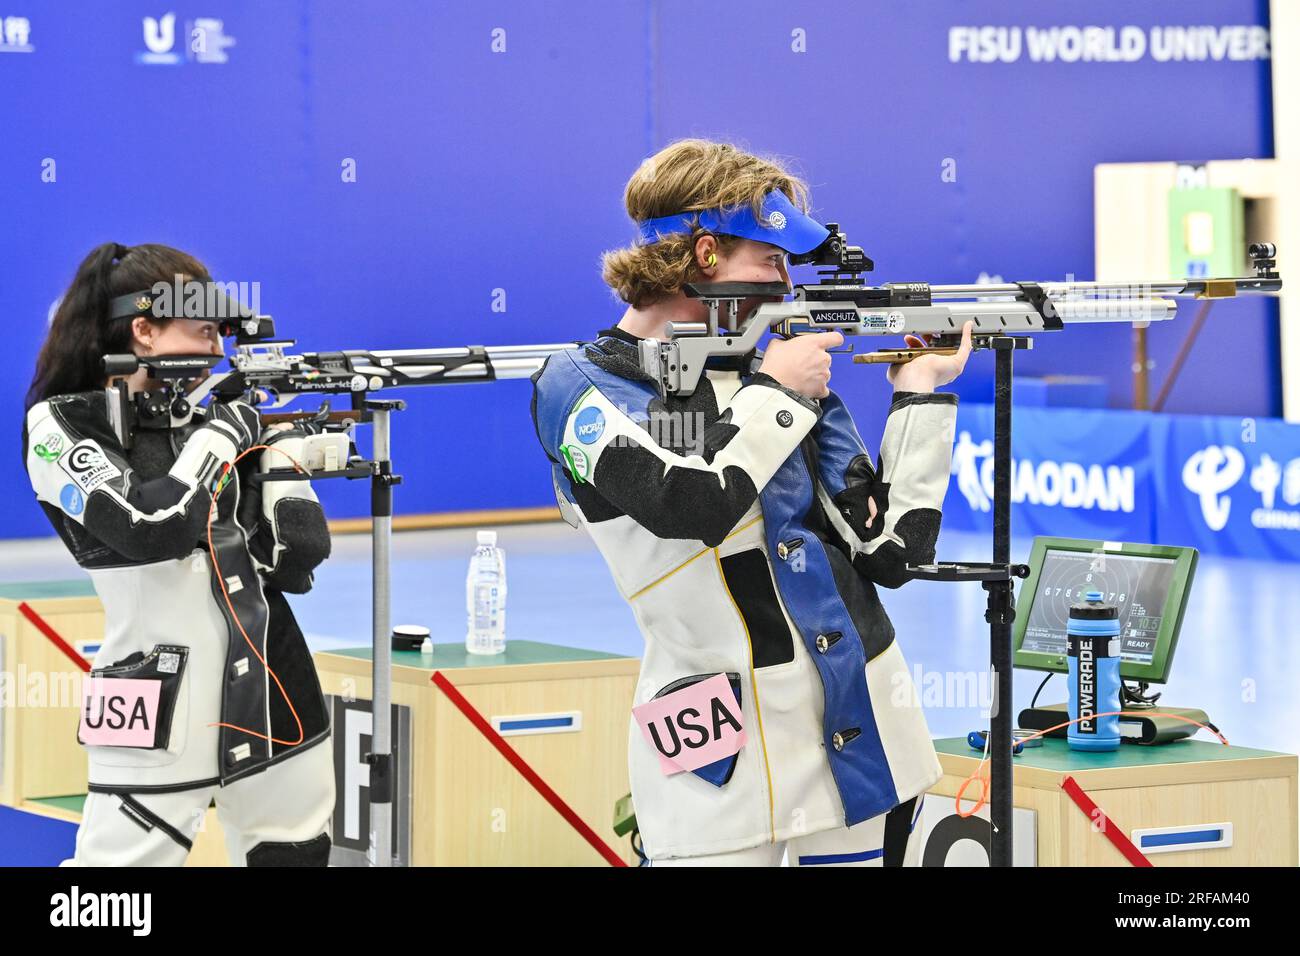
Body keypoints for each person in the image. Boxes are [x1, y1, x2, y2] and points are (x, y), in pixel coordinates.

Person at [531, 140, 974, 866]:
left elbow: (891, 554)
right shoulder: (577, 384)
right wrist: (777, 393)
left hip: (857, 716)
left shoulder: (773, 368)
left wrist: (918, 395)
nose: (786, 283)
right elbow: (687, 505)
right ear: (705, 255)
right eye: (771, 260)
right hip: (713, 741)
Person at [23, 242, 335, 866]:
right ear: (143, 330)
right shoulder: (60, 427)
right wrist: (223, 437)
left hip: (278, 677)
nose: (218, 349)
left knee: (296, 851)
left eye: (223, 332)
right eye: (202, 330)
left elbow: (291, 566)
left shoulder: (206, 417)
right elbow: (152, 526)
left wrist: (286, 479)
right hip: (155, 692)